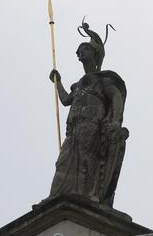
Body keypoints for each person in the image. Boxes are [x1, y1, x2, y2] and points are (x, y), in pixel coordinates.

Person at [48, 21, 128, 206]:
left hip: (90, 123)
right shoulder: (78, 85)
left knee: (86, 159)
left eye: (84, 49)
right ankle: (56, 197)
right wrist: (57, 81)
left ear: (95, 54)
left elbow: (115, 96)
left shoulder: (102, 80)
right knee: (63, 161)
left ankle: (87, 196)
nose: (80, 53)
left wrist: (116, 120)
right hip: (74, 126)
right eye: (78, 51)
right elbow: (66, 100)